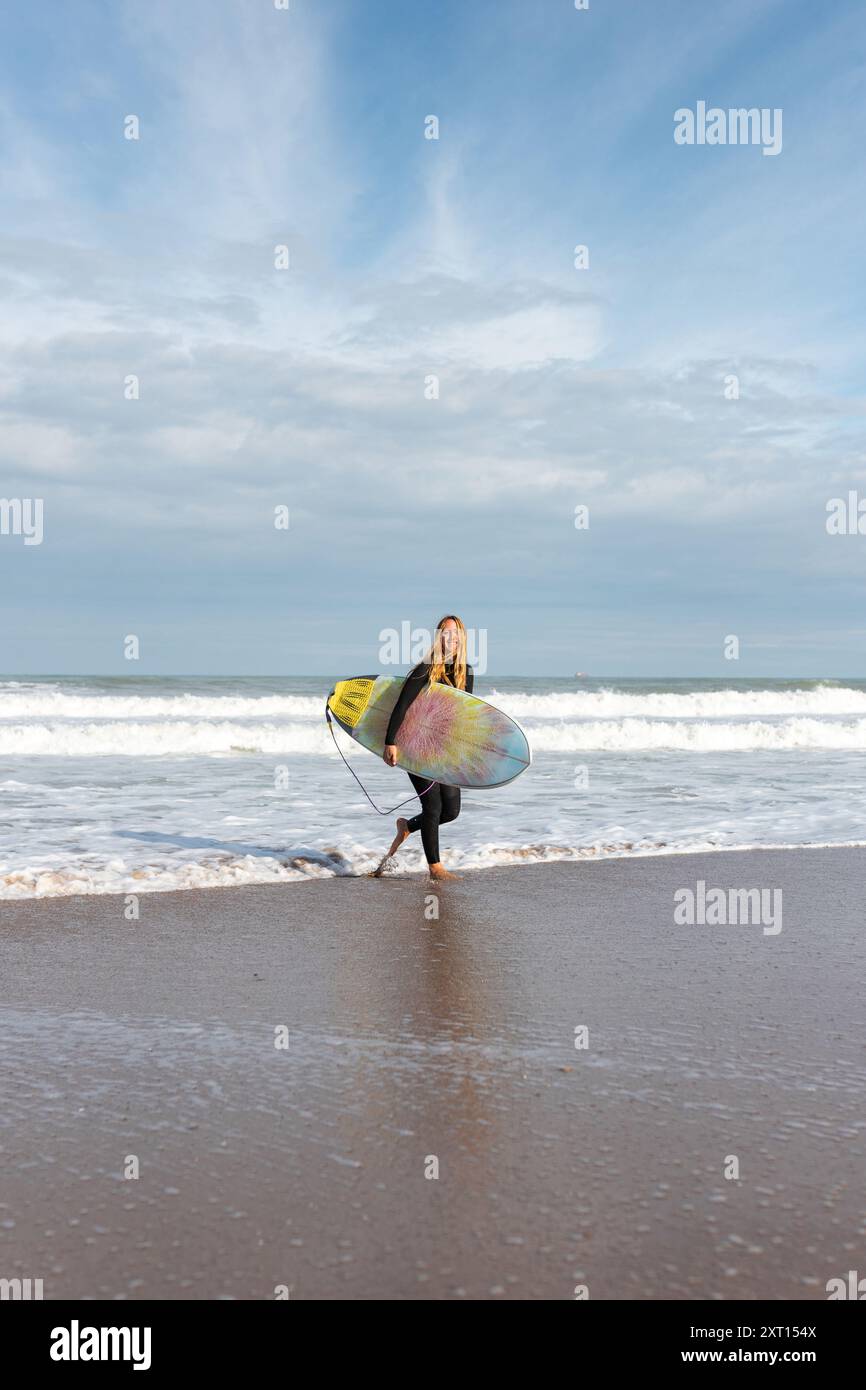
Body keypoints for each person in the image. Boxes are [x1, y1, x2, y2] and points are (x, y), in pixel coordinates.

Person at [375, 615, 473, 881]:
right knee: (432, 806)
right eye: (444, 633)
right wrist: (390, 742)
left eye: (454, 634)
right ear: (438, 637)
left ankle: (407, 826)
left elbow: (464, 716)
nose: (449, 639)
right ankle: (435, 868)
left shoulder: (465, 672)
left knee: (451, 810)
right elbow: (402, 705)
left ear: (461, 638)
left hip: (444, 748)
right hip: (416, 745)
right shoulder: (426, 669)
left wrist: (463, 753)